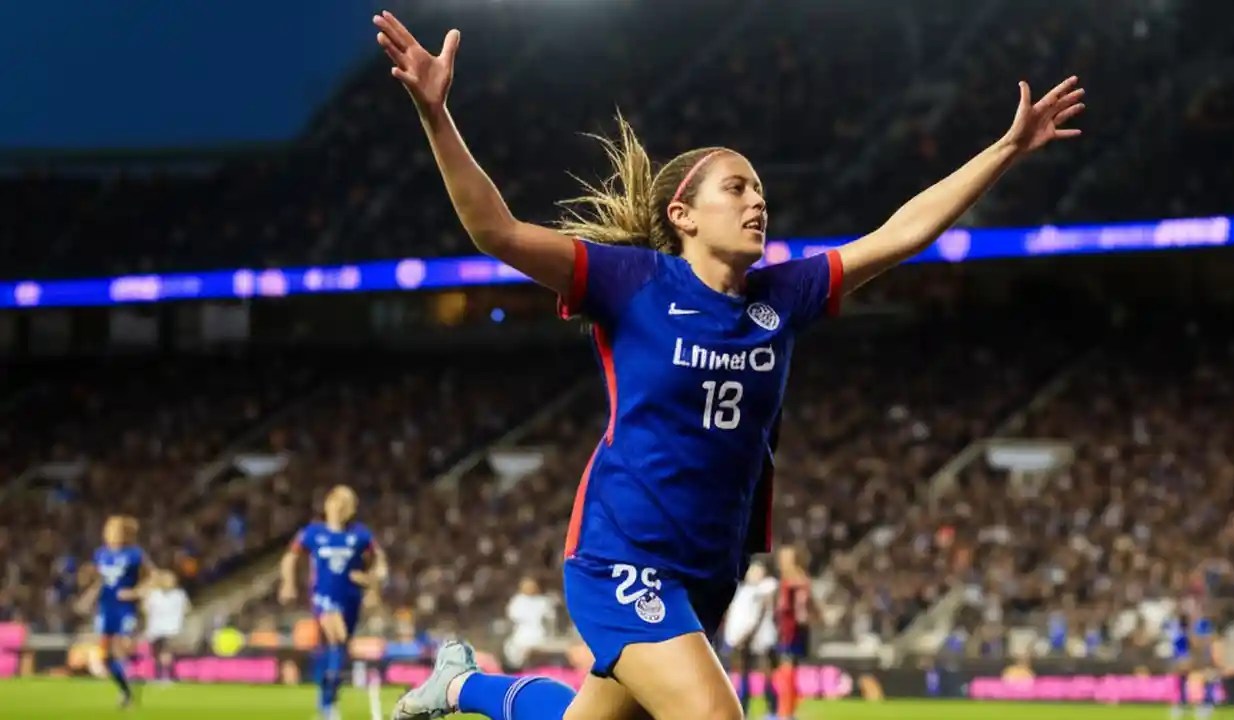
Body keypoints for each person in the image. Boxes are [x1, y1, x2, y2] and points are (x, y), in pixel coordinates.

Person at [372, 9, 1085, 720]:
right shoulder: (635, 282)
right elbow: (495, 230)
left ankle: (461, 685)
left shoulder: (785, 295)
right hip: (622, 554)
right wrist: (436, 115)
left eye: (760, 192)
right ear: (683, 215)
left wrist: (1006, 149)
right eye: (737, 188)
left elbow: (900, 234)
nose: (757, 202)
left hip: (710, 572)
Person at [280, 485, 387, 720]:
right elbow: (290, 556)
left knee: (338, 649)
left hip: (351, 598)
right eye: (335, 503)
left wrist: (370, 582)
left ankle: (326, 699)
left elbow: (380, 564)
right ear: (327, 505)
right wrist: (287, 583)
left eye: (344, 504)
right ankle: (328, 705)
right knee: (336, 637)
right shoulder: (313, 533)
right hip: (323, 597)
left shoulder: (360, 535)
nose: (338, 508)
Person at [77, 515, 151, 709]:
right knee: (105, 656)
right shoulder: (101, 554)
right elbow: (99, 581)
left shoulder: (135, 554)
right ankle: (126, 690)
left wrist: (135, 592)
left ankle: (136, 675)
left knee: (122, 647)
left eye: (115, 531)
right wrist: (88, 594)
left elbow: (152, 578)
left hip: (125, 608)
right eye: (109, 531)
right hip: (105, 607)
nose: (111, 534)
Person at [722, 561, 779, 718]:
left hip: (759, 639)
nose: (754, 574)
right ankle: (744, 711)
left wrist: (747, 636)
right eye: (752, 571)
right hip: (738, 639)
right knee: (741, 676)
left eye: (758, 571)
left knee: (766, 674)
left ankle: (773, 711)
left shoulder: (765, 588)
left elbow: (760, 612)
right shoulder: (742, 590)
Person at [773, 546, 813, 720]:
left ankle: (786, 712)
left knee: (788, 671)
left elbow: (791, 607)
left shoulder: (794, 580)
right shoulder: (796, 579)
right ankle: (788, 711)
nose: (782, 561)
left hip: (792, 631)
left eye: (786, 558)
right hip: (790, 629)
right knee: (788, 671)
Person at [143, 569, 190, 685]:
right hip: (156, 629)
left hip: (170, 628)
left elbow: (187, 608)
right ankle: (165, 675)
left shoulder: (178, 595)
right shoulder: (154, 594)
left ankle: (165, 675)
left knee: (165, 652)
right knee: (158, 653)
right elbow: (145, 609)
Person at [505, 577, 557, 671]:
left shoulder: (543, 601)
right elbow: (513, 617)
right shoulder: (517, 600)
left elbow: (550, 620)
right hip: (521, 635)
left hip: (538, 635)